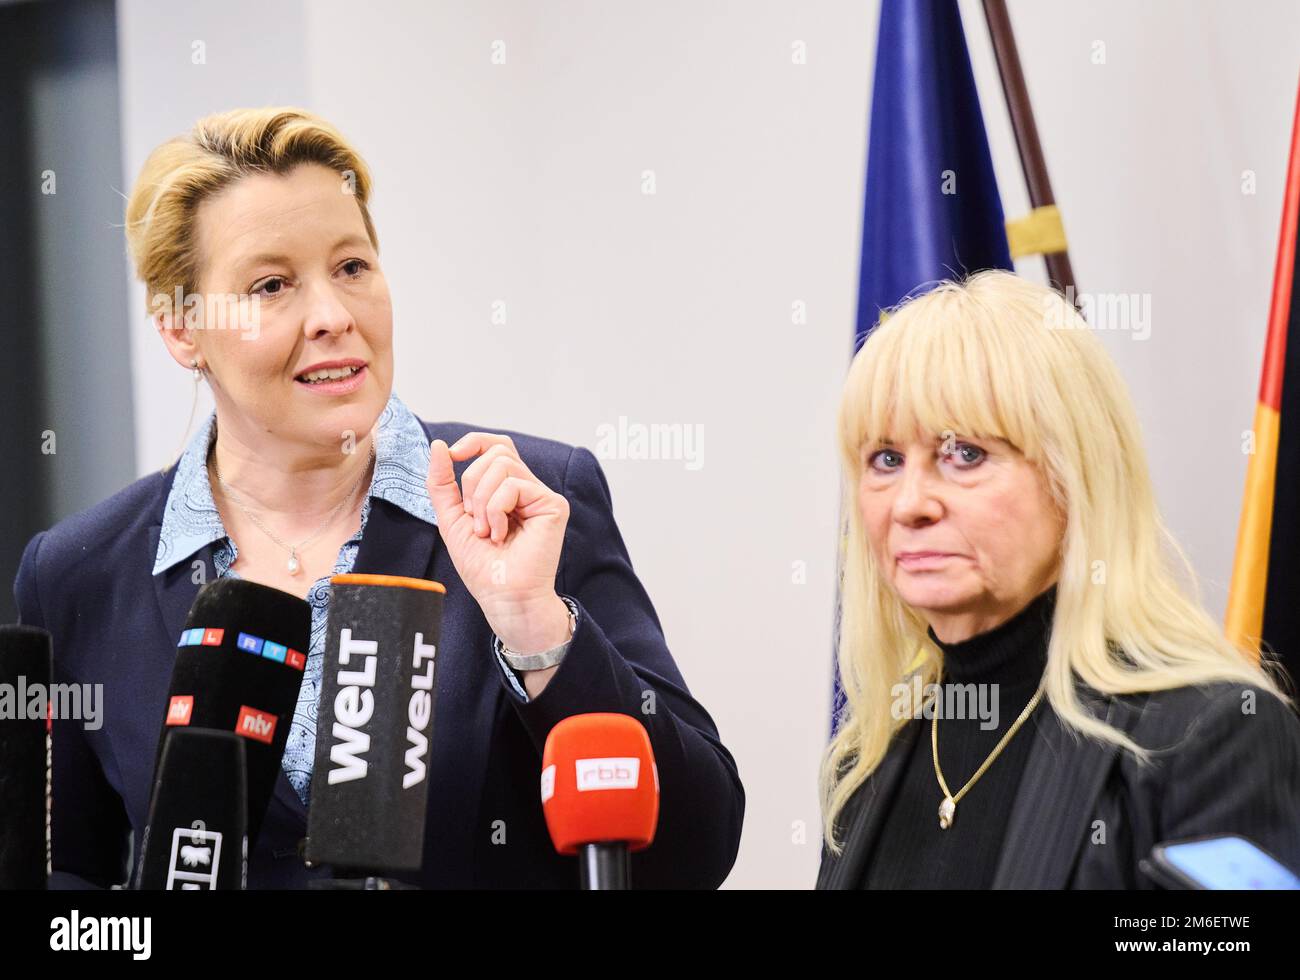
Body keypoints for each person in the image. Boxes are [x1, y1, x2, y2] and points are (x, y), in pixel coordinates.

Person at [13, 106, 743, 888]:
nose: (333, 317)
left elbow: (696, 848)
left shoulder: (529, 494)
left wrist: (539, 629)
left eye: (352, 267)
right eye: (272, 285)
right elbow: (66, 888)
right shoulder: (79, 574)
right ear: (181, 331)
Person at [818, 271, 1300, 889]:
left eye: (963, 453)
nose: (910, 503)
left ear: (1074, 479)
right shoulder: (868, 756)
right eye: (885, 460)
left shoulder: (1212, 735)